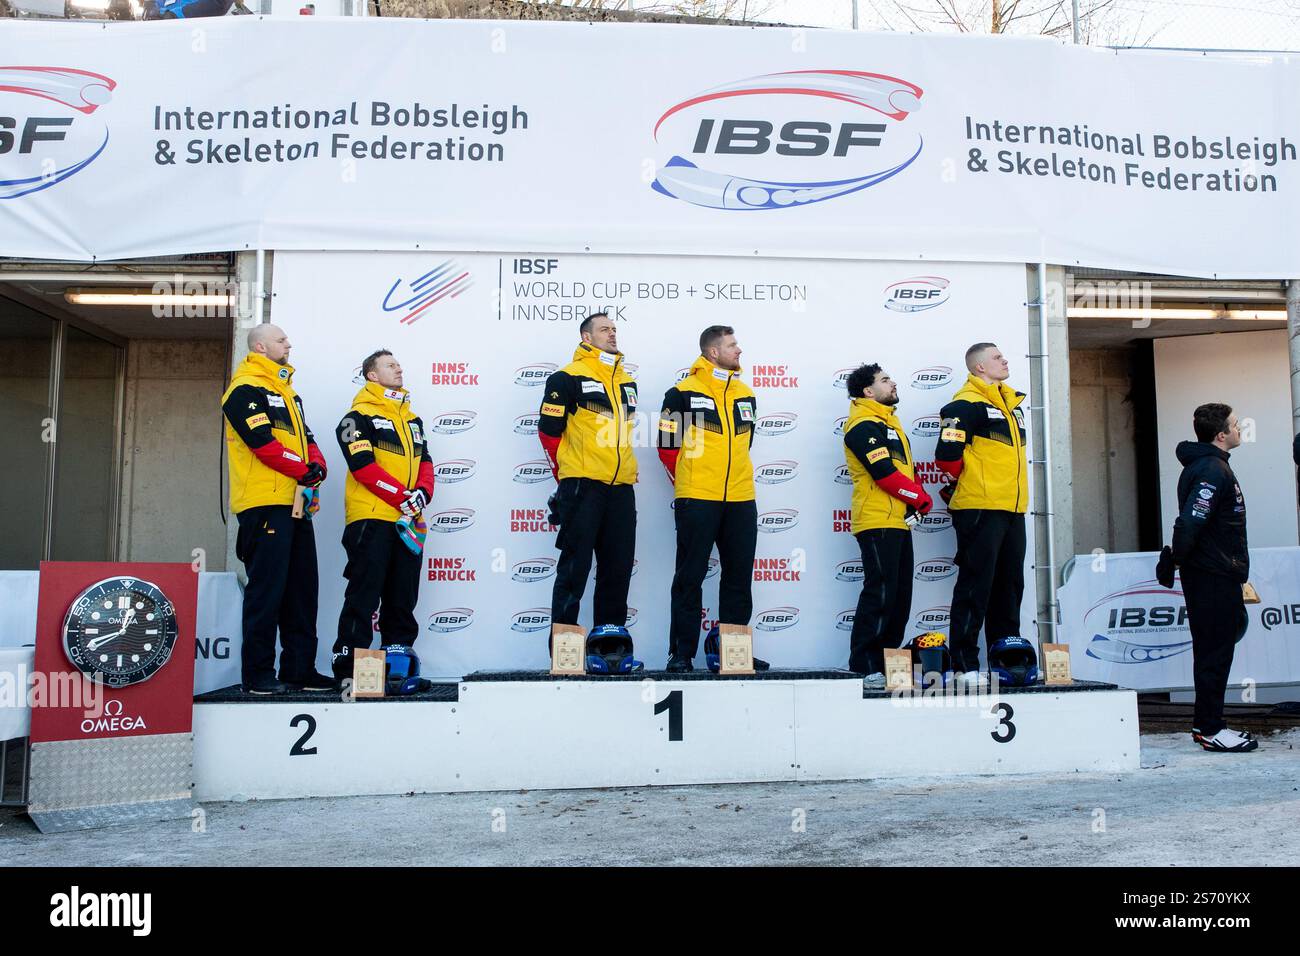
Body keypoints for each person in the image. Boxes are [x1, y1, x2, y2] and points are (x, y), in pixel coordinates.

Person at [221, 324, 333, 695]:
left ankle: (299, 669)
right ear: (260, 346)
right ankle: (257, 674)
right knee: (267, 591)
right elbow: (261, 442)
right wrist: (304, 469)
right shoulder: (243, 390)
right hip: (263, 503)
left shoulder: (288, 393)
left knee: (302, 590)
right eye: (282, 339)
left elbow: (308, 440)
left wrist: (316, 466)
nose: (289, 344)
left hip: (297, 503)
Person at [657, 326, 759, 672]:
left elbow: (747, 444)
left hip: (741, 498)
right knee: (689, 577)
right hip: (698, 496)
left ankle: (735, 654)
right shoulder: (681, 393)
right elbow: (667, 447)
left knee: (738, 576)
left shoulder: (746, 394)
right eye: (733, 345)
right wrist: (689, 482)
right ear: (713, 352)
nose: (739, 350)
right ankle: (681, 653)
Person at [1156, 403, 1256, 752]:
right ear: (1221, 435)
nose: (1240, 427)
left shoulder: (1214, 466)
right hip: (1211, 574)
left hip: (1217, 571)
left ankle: (1208, 725)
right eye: (1234, 424)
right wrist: (1177, 558)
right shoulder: (1212, 469)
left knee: (1217, 651)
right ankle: (1211, 728)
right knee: (1214, 653)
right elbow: (1190, 520)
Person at [332, 350, 435, 682]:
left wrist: (422, 494)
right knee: (364, 593)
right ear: (372, 375)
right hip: (371, 517)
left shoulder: (412, 420)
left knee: (402, 595)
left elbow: (426, 464)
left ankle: (398, 664)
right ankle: (349, 667)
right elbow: (363, 467)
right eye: (390, 365)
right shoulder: (355, 418)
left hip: (407, 521)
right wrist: (402, 496)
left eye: (399, 363)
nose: (399, 368)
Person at [538, 312, 638, 639]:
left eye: (614, 329)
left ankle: (608, 645)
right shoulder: (566, 378)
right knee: (574, 569)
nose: (612, 334)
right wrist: (566, 478)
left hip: (621, 488)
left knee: (616, 570)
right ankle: (565, 647)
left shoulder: (626, 381)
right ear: (586, 337)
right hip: (582, 486)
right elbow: (549, 434)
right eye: (604, 330)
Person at [934, 342, 1029, 685]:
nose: (1005, 360)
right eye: (997, 358)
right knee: (976, 586)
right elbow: (946, 456)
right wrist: (973, 482)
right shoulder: (963, 406)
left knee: (1009, 587)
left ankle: (1006, 661)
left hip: (1013, 508)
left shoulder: (1012, 405)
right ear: (979, 368)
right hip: (979, 507)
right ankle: (964, 665)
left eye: (1004, 355)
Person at [842, 363, 932, 687]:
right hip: (877, 520)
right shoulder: (863, 425)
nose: (893, 383)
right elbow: (884, 474)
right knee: (880, 593)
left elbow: (905, 472)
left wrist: (916, 498)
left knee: (899, 597)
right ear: (868, 391)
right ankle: (864, 666)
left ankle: (889, 663)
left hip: (898, 522)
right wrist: (919, 497)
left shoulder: (891, 424)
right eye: (884, 380)